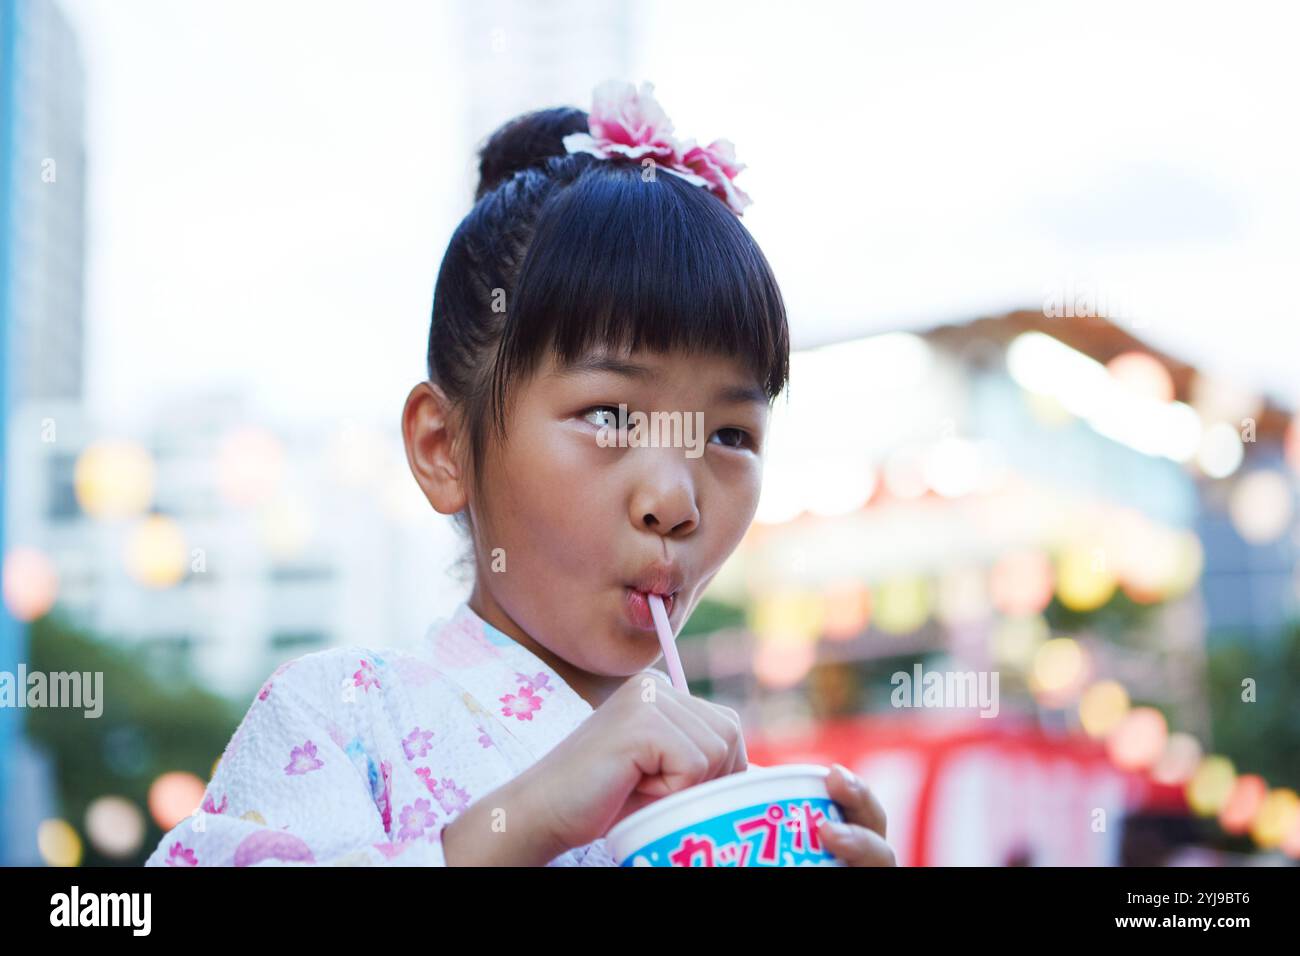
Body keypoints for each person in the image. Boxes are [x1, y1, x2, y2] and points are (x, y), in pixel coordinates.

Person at [144, 80, 894, 867]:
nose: (674, 500)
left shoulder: (728, 811)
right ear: (444, 446)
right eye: (608, 417)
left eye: (731, 433)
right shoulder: (342, 718)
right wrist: (524, 822)